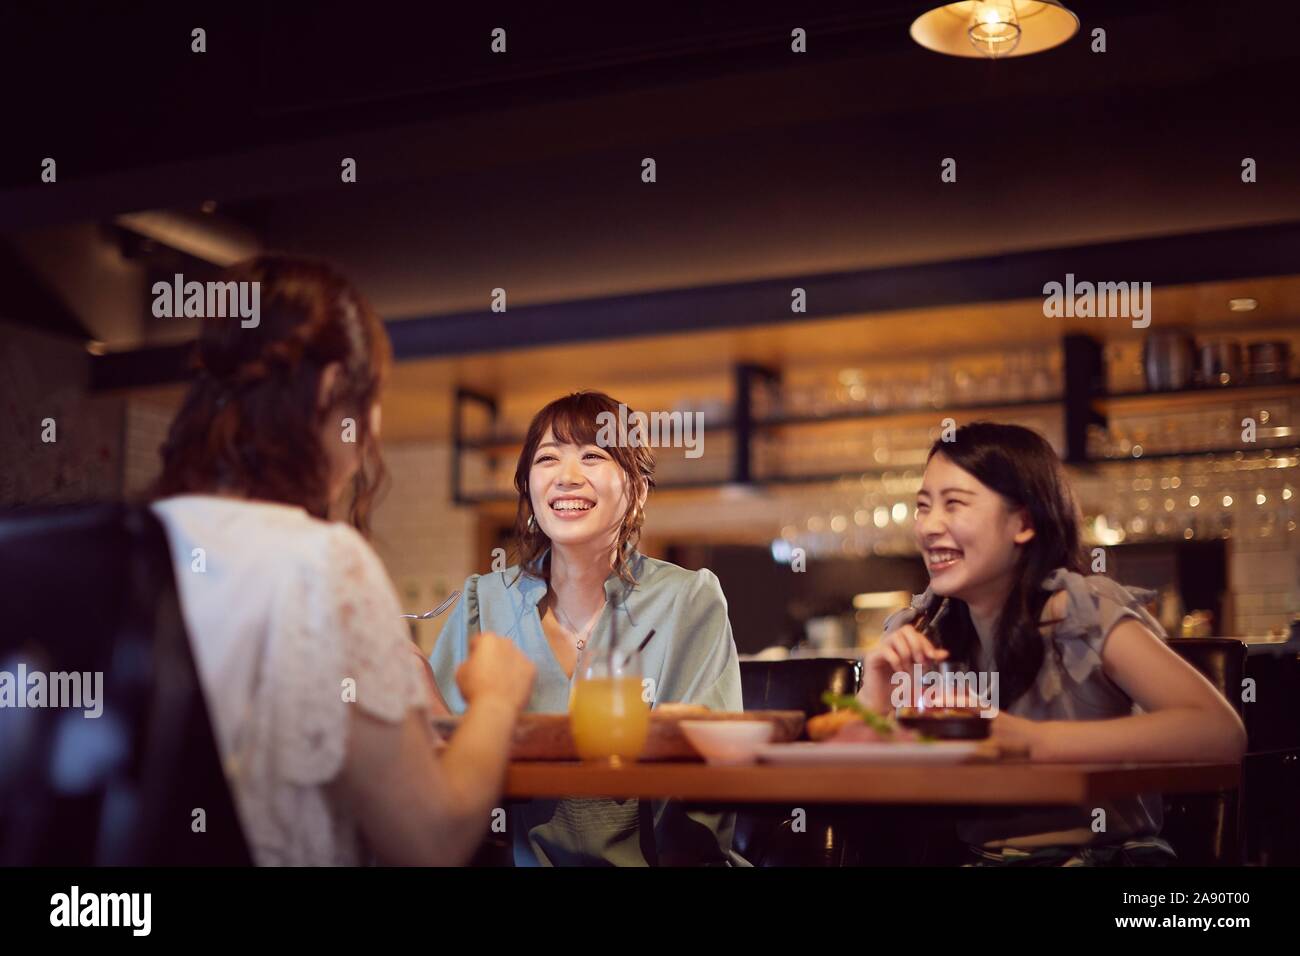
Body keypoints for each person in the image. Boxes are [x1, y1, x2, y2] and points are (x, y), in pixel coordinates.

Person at [151, 255, 534, 865]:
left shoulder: (139, 539)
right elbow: (430, 839)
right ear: (333, 390)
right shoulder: (319, 562)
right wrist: (495, 697)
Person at [858, 421, 1246, 865]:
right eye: (923, 507)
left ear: (1023, 522)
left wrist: (1033, 741)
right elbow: (857, 786)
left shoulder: (1080, 612)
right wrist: (874, 699)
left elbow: (1218, 732)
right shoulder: (922, 629)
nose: (929, 527)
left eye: (954, 505)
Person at [430, 390, 744, 865]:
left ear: (635, 487)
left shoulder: (688, 599)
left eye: (593, 456)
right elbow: (439, 766)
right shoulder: (482, 602)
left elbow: (710, 772)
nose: (567, 478)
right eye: (548, 458)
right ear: (529, 487)